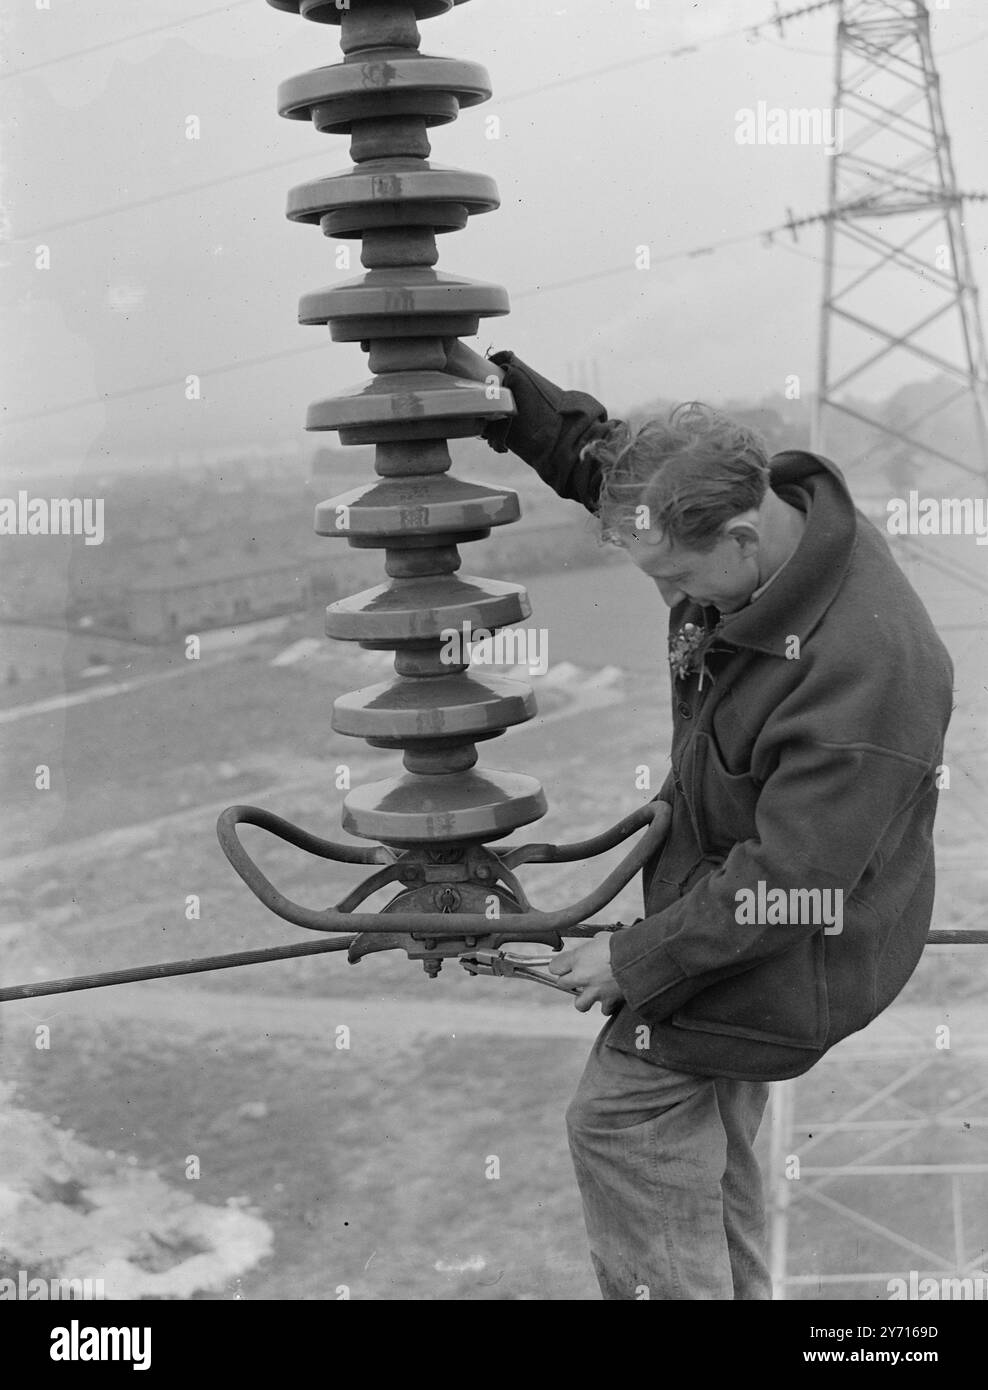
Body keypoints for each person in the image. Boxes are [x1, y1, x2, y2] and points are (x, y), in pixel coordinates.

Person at [442, 339, 955, 1301]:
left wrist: (632, 962)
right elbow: (618, 468)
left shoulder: (868, 672)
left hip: (791, 956)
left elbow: (792, 887)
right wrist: (518, 410)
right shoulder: (743, 518)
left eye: (678, 578)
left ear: (741, 542)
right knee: (711, 1163)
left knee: (623, 1121)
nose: (675, 603)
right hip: (733, 919)